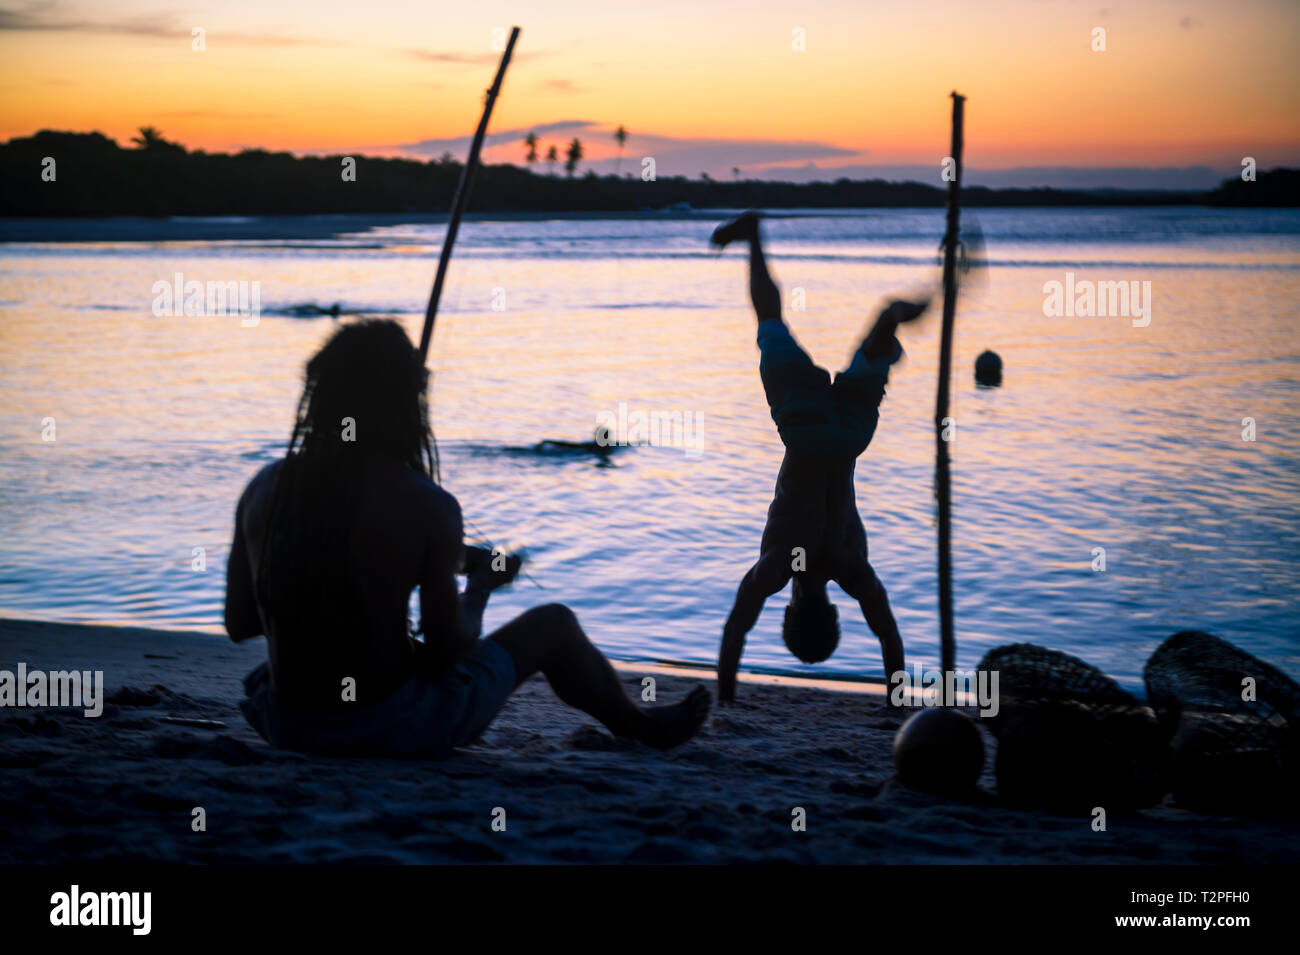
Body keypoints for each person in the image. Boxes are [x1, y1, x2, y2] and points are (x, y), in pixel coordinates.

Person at [225, 319, 709, 757]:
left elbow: (241, 622)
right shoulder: (425, 501)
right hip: (386, 726)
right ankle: (639, 724)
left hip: (286, 722)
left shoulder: (264, 488)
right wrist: (479, 589)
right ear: (405, 402)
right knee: (554, 624)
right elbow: (444, 655)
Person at [710, 212, 926, 705]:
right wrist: (724, 699)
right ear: (789, 615)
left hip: (849, 432)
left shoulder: (851, 568)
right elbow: (736, 628)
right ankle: (752, 234)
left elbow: (889, 638)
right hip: (804, 425)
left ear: (833, 615)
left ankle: (894, 318)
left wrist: (897, 704)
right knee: (769, 321)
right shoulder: (780, 564)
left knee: (881, 333)